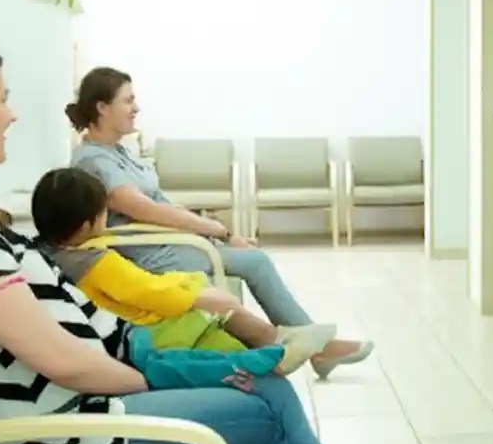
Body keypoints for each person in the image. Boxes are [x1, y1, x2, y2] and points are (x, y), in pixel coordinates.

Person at [0, 37, 339, 444]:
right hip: (73, 438)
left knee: (270, 391)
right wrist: (160, 378)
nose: (12, 116)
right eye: (1, 99)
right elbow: (66, 362)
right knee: (271, 405)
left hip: (86, 407)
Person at [66, 67, 372, 380]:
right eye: (128, 101)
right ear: (102, 107)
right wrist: (217, 231)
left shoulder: (118, 152)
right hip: (146, 252)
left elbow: (161, 203)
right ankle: (316, 348)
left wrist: (216, 232)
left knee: (252, 258)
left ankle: (314, 347)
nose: (136, 108)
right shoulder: (93, 159)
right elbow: (142, 208)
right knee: (254, 261)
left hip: (165, 241)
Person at [30, 166, 336, 375]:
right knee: (219, 329)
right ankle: (278, 357)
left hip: (134, 323)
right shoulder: (96, 263)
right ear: (86, 225)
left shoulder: (52, 254)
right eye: (103, 214)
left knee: (218, 311)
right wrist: (197, 294)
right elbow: (148, 292)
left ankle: (285, 343)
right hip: (150, 334)